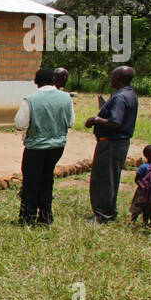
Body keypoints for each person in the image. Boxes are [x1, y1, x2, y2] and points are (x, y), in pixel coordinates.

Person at [15, 67, 75, 225]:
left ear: (36, 81)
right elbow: (70, 122)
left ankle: (28, 218)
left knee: (31, 182)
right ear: (54, 80)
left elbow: (20, 124)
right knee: (47, 179)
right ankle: (46, 216)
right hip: (57, 147)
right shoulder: (66, 98)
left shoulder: (31, 100)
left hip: (36, 147)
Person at [85, 66, 139, 224]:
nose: (111, 79)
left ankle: (103, 214)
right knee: (111, 177)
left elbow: (115, 122)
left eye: (113, 76)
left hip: (111, 143)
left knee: (103, 178)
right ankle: (109, 210)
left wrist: (95, 119)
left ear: (119, 78)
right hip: (118, 143)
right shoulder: (130, 94)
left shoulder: (121, 97)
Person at [130, 143, 151, 233]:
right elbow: (137, 179)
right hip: (143, 191)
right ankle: (133, 220)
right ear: (149, 156)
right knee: (137, 207)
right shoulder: (144, 167)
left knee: (148, 208)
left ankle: (145, 222)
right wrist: (143, 187)